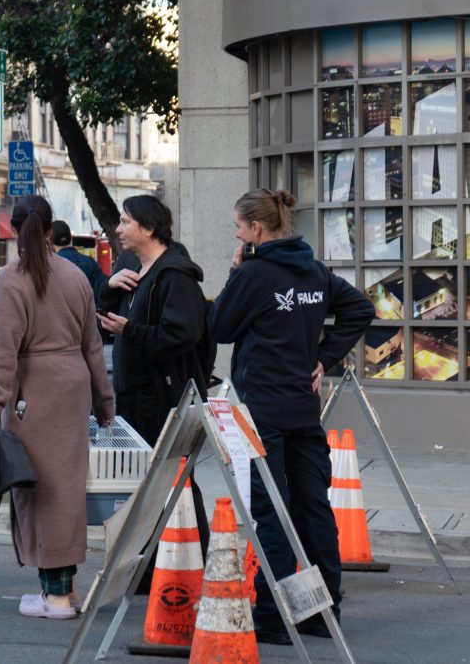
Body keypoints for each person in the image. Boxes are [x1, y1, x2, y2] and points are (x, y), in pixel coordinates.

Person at [208, 188, 374, 644]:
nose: (237, 236)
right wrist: (325, 356)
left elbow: (219, 327)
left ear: (256, 230)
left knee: (273, 510)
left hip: (263, 407)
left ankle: (274, 613)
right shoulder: (315, 272)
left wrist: (234, 269)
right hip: (303, 408)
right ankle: (324, 610)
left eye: (239, 229)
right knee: (312, 507)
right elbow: (361, 308)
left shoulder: (255, 273)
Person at [0, 195, 114, 620]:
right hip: (73, 389)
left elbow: (1, 353)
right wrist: (105, 403)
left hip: (33, 392)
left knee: (38, 492)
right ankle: (65, 590)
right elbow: (93, 346)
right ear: (51, 230)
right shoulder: (75, 275)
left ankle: (55, 597)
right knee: (66, 489)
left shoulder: (11, 279)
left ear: (14, 230)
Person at [96, 195, 211, 584]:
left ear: (147, 228)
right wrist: (110, 288)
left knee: (174, 482)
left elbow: (182, 335)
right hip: (137, 397)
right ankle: (151, 567)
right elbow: (101, 318)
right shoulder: (136, 270)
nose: (118, 228)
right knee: (147, 484)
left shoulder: (174, 276)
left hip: (161, 398)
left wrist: (132, 331)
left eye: (126, 221)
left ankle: (189, 563)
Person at [52, 220, 105, 305]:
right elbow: (102, 293)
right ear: (70, 237)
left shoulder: (51, 266)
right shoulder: (90, 263)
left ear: (50, 242)